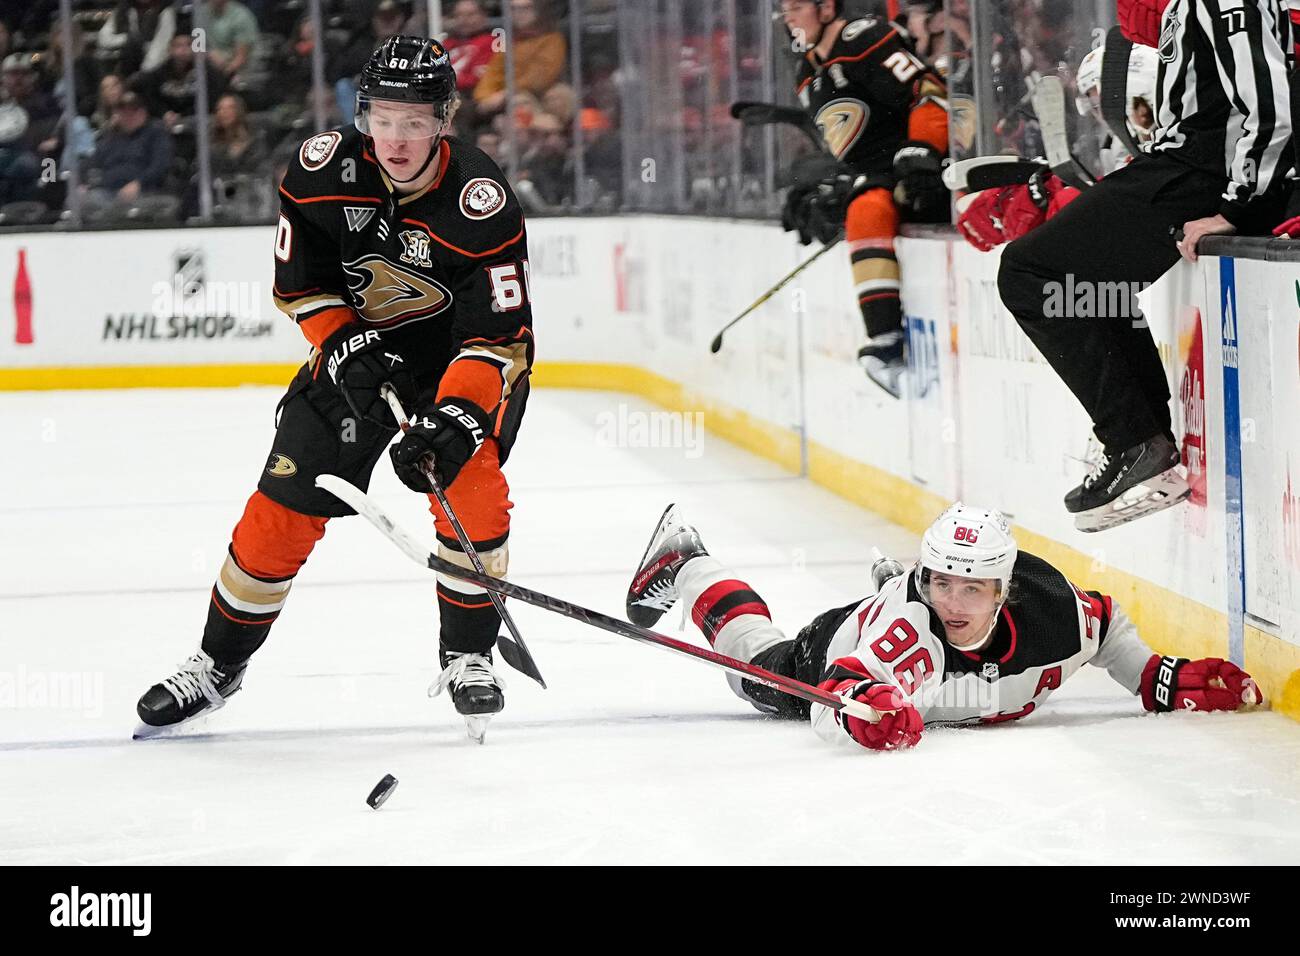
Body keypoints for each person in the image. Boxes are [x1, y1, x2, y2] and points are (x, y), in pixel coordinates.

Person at [136, 36, 535, 741]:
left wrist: (455, 418)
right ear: (363, 114)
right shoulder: (320, 173)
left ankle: (468, 654)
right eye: (384, 117)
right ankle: (217, 664)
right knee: (279, 512)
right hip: (357, 355)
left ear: (444, 118)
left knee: (470, 490)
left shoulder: (481, 202)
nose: (398, 137)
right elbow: (303, 288)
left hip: (454, 365)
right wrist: (346, 342)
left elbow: (497, 338)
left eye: (416, 120)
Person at [626, 502, 1261, 752]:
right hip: (843, 642)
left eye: (972, 589)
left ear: (1003, 591)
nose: (953, 603)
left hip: (906, 643)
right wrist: (857, 709)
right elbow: (835, 697)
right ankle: (688, 561)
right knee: (758, 673)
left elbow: (1108, 624)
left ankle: (884, 586)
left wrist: (1152, 675)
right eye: (940, 583)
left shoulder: (1054, 612)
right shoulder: (912, 636)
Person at [997, 0, 1293, 532]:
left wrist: (1240, 206)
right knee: (1086, 282)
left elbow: (1272, 105)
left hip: (1201, 174)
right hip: (1186, 165)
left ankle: (1136, 440)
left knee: (1028, 271)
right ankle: (1145, 438)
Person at [777, 0, 950, 398]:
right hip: (874, 175)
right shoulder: (806, 72)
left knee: (868, 210)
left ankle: (884, 340)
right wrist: (835, 182)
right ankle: (884, 339)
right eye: (784, 10)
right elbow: (851, 142)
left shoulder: (864, 40)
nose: (788, 18)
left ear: (826, 9)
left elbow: (929, 91)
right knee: (858, 205)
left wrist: (922, 149)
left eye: (797, 7)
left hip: (917, 171)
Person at [472, 0, 566, 117]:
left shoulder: (553, 39)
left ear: (538, 10)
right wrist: (484, 97)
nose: (518, 13)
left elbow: (539, 78)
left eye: (525, 8)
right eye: (513, 9)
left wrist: (506, 94)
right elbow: (493, 73)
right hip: (507, 95)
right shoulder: (512, 41)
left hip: (537, 94)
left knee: (523, 102)